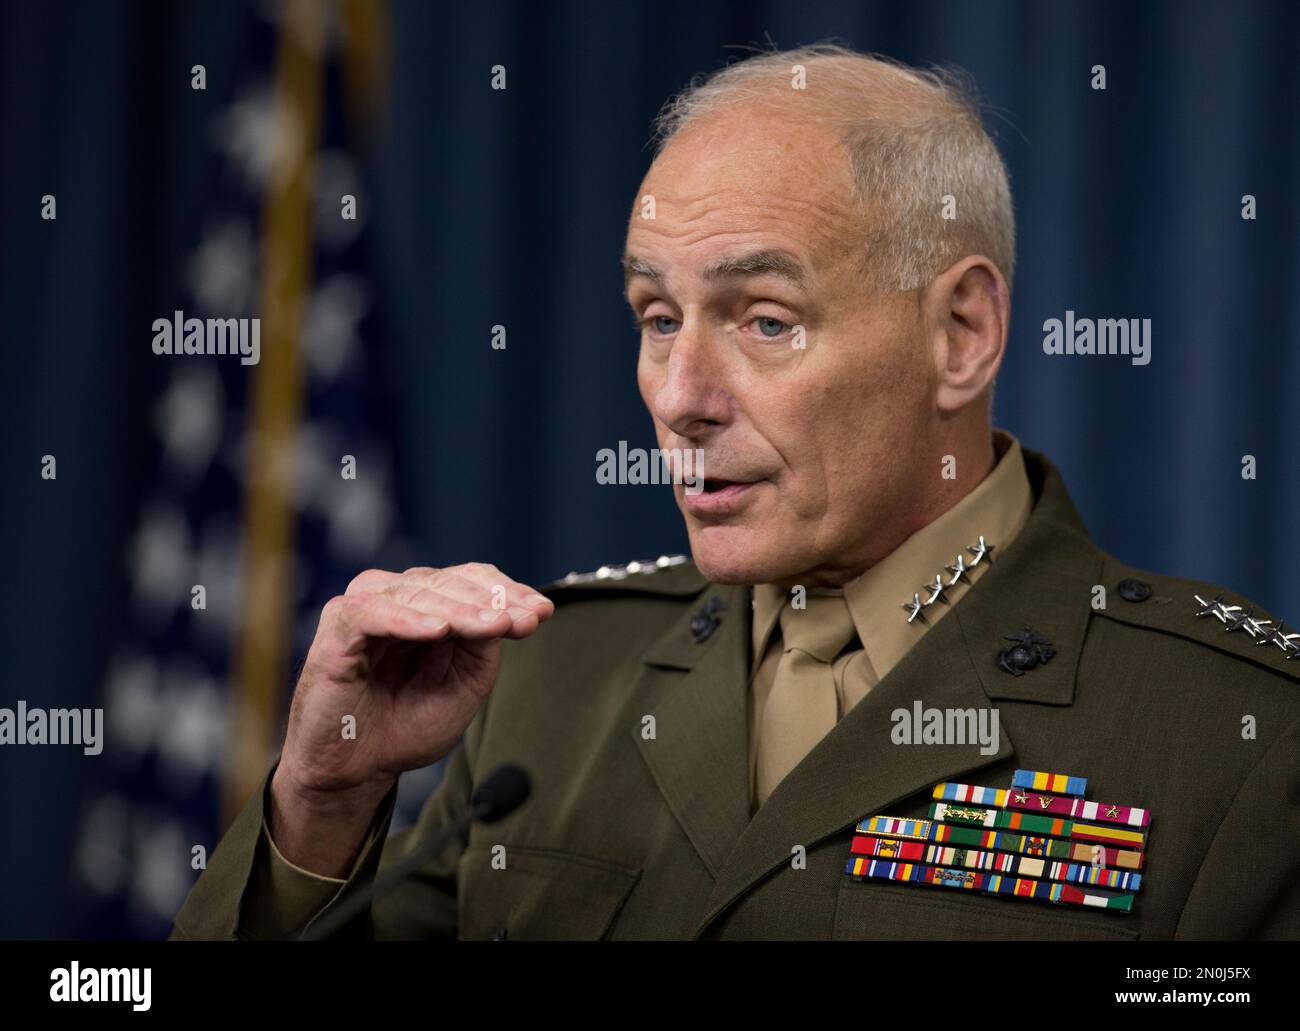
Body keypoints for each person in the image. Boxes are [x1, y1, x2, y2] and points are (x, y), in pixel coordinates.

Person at [171, 45, 1300, 941]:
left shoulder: (1238, 741)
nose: (680, 396)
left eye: (766, 319)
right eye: (657, 319)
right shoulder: (545, 678)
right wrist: (317, 805)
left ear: (961, 334)